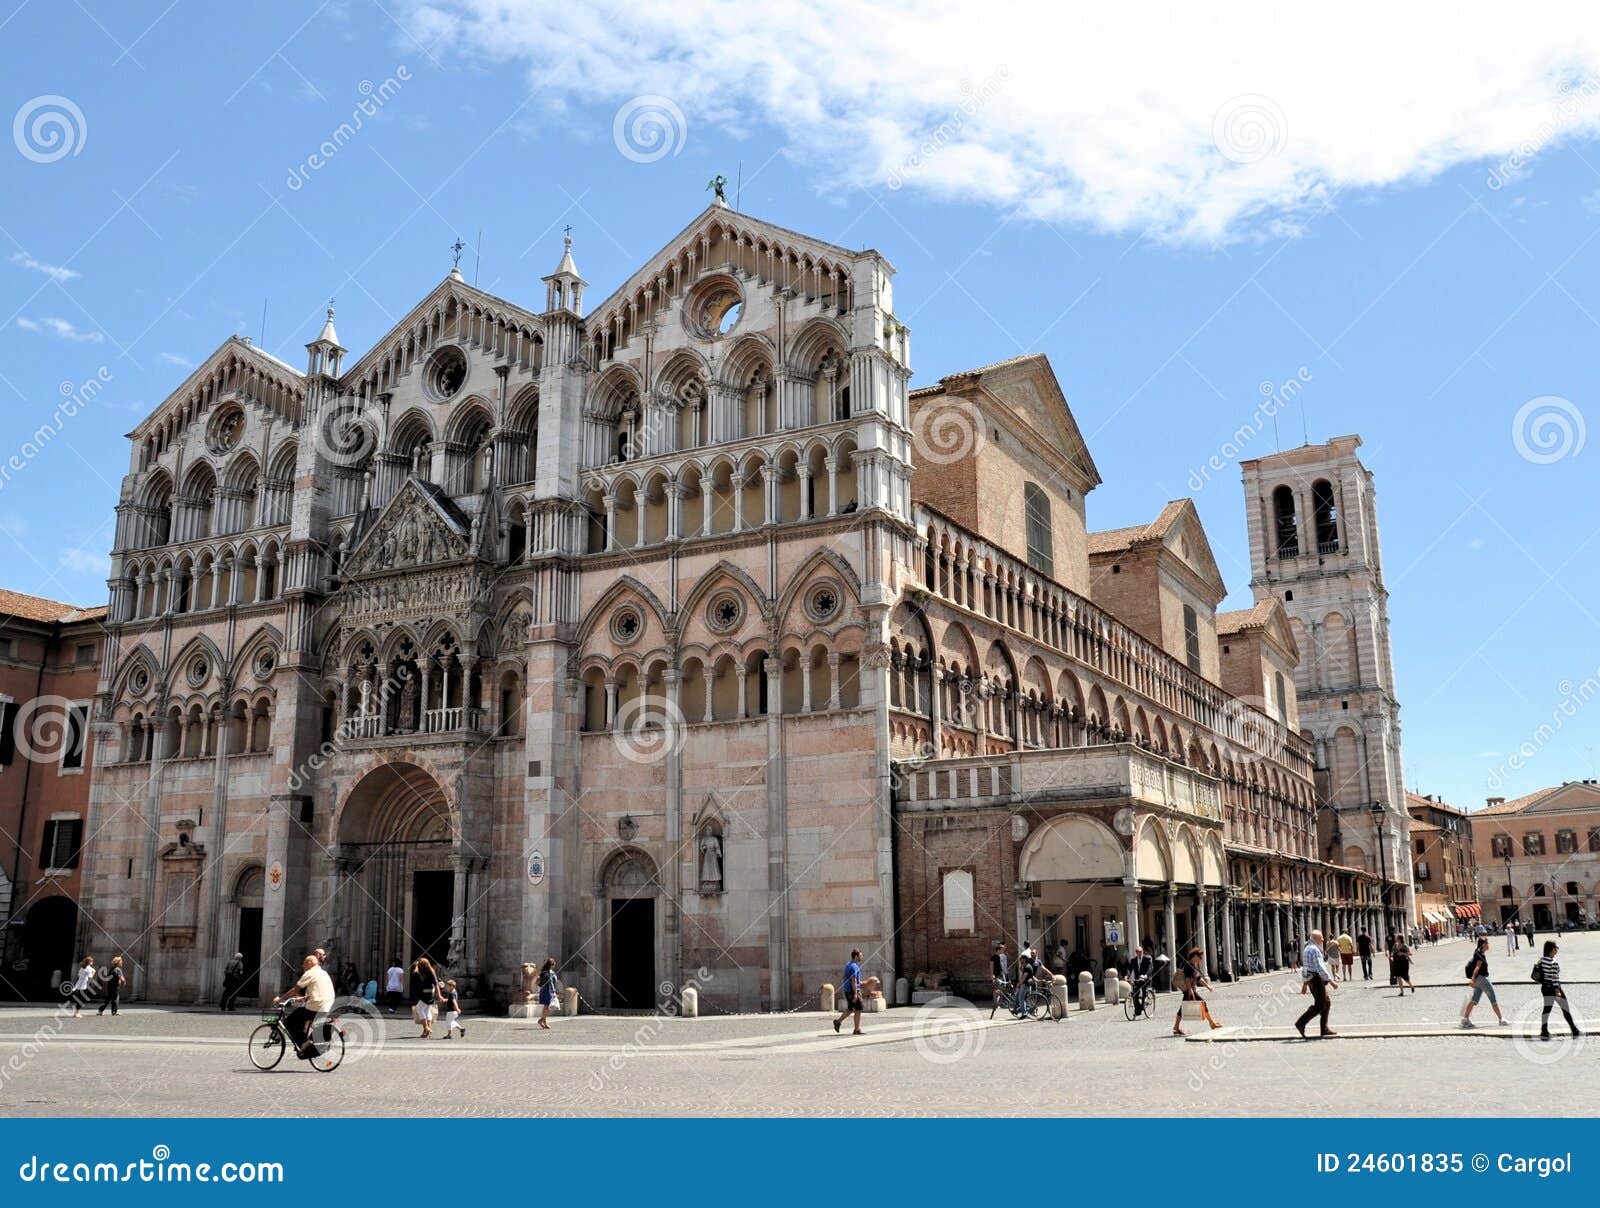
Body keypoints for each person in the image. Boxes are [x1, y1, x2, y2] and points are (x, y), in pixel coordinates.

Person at [272, 954, 336, 1059]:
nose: (303, 966)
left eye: (304, 964)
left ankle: (304, 1043)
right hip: (327, 1005)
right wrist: (303, 998)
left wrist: (280, 999)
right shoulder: (323, 973)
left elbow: (295, 989)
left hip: (316, 1006)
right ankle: (307, 1041)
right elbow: (318, 991)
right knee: (301, 1017)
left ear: (309, 963)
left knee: (290, 1021)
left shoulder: (310, 973)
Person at [1294, 930, 1338, 1038]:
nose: (1323, 939)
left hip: (1310, 979)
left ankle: (1324, 1028)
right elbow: (1320, 967)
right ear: (1316, 938)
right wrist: (1331, 981)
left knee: (1326, 1002)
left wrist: (1304, 984)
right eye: (1321, 937)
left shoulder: (1307, 949)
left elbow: (1305, 968)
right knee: (1320, 1005)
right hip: (1316, 979)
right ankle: (1301, 1023)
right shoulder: (1315, 950)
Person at [1536, 940, 1581, 1041]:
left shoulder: (1541, 960)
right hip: (1554, 987)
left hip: (1544, 988)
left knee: (1547, 1009)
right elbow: (1555, 977)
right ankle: (1574, 1029)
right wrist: (1557, 991)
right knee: (1565, 1008)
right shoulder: (1553, 962)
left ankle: (1544, 1030)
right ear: (1552, 949)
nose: (1557, 950)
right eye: (1556, 948)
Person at [1173, 947, 1220, 1035]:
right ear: (1195, 956)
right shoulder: (1188, 965)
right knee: (1203, 1003)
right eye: (1200, 957)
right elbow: (1187, 980)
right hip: (1189, 990)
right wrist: (1190, 991)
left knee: (1182, 1009)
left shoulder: (1193, 965)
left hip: (1190, 990)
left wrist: (1208, 986)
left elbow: (1198, 978)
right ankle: (1212, 1023)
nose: (1201, 959)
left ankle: (1176, 1027)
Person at [1460, 938, 1505, 1028]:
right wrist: (1472, 979)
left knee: (1474, 999)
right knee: (1493, 998)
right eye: (1487, 943)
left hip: (1478, 980)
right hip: (1483, 979)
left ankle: (1465, 1019)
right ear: (1483, 945)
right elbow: (1477, 967)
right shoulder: (1480, 955)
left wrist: (1474, 979)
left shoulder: (1478, 953)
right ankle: (1501, 1019)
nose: (1489, 945)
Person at [833, 948, 865, 1035]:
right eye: (861, 955)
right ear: (856, 956)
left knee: (850, 1009)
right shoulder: (854, 966)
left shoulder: (849, 964)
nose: (862, 956)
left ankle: (838, 1022)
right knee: (858, 1009)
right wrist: (855, 994)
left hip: (848, 990)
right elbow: (853, 980)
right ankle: (857, 1029)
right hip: (852, 991)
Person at [412, 957, 438, 1039]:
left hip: (425, 994)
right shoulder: (429, 970)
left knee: (420, 1009)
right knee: (427, 1012)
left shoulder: (424, 971)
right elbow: (435, 983)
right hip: (430, 993)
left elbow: (436, 983)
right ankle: (426, 1031)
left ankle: (426, 1028)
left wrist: (439, 995)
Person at [537, 957, 559, 1030]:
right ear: (551, 965)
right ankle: (541, 1020)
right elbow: (551, 983)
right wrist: (554, 992)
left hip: (544, 990)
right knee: (550, 1007)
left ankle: (544, 1022)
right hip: (548, 990)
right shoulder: (548, 973)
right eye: (554, 964)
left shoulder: (544, 972)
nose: (554, 966)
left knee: (546, 1007)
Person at [990, 942, 1011, 1012]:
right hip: (996, 975)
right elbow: (991, 967)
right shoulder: (993, 957)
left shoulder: (1001, 956)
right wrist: (992, 975)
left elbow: (1002, 966)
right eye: (1002, 950)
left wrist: (1004, 973)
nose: (1003, 951)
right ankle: (995, 1003)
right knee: (996, 989)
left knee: (1002, 988)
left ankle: (1000, 1002)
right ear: (998, 950)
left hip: (1002, 975)